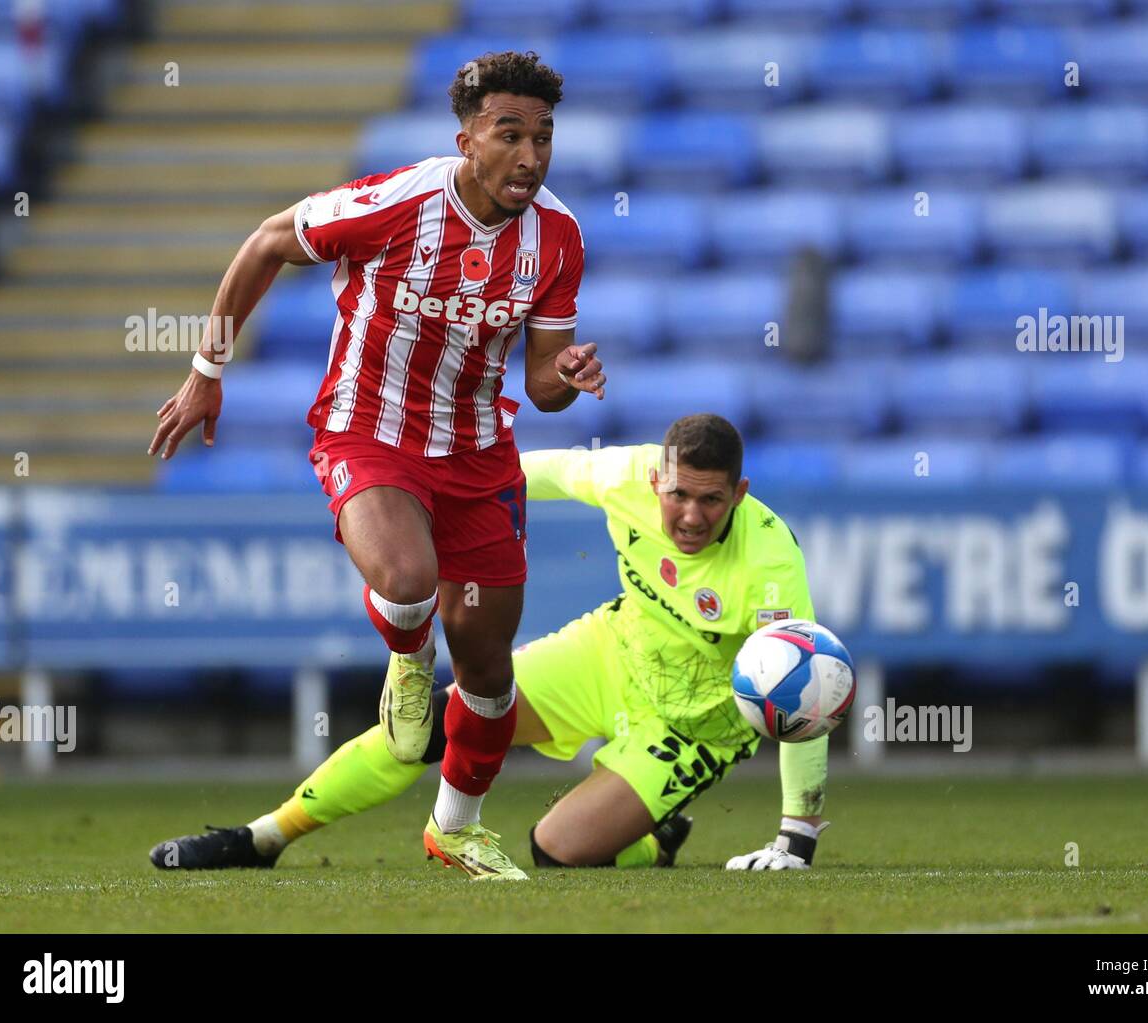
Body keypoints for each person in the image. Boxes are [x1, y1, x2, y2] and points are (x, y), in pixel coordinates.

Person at [147, 51, 604, 881]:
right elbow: (264, 244)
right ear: (467, 137)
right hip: (371, 434)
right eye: (511, 135)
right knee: (405, 579)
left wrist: (567, 377)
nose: (531, 157)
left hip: (479, 458)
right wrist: (205, 373)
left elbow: (540, 383)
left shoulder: (559, 238)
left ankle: (455, 827)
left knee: (491, 670)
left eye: (544, 137)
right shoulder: (396, 202)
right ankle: (404, 658)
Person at [151, 415, 838, 877]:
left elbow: (804, 697)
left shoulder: (771, 563)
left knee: (555, 851)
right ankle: (262, 837)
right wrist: (431, 488)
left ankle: (654, 836)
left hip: (696, 726)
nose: (690, 515)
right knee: (433, 730)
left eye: (711, 502)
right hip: (610, 654)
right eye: (680, 495)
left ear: (739, 493)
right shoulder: (625, 475)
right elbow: (522, 472)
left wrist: (795, 838)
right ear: (659, 478)